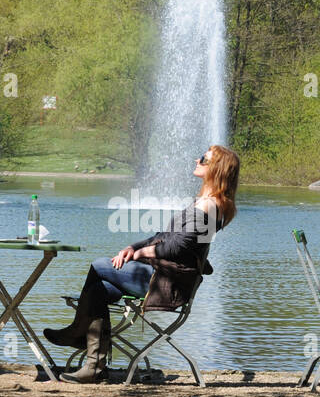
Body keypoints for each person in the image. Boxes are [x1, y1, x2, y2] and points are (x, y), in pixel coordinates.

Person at [45, 144, 240, 383]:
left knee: (98, 265)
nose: (197, 160)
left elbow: (176, 248)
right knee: (97, 290)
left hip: (167, 282)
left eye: (203, 159)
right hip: (162, 274)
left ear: (216, 170)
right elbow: (165, 237)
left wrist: (138, 255)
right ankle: (94, 365)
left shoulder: (209, 206)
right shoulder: (207, 203)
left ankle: (78, 334)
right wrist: (133, 247)